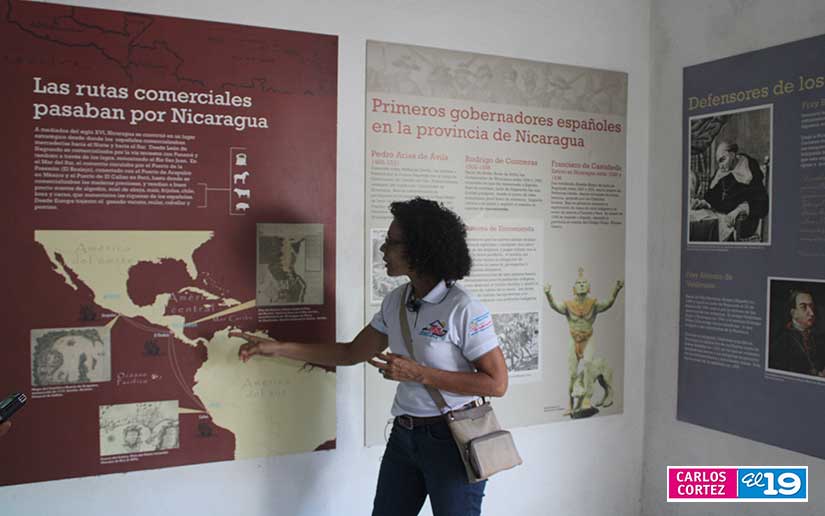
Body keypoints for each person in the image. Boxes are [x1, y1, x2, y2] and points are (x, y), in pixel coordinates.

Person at [231, 197, 507, 516]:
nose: (383, 250)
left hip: (452, 440)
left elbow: (496, 383)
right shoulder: (396, 301)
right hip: (405, 437)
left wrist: (418, 373)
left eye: (391, 242)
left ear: (420, 249)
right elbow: (350, 352)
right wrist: (276, 348)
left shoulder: (463, 308)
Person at [544, 268, 623, 418]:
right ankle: (570, 405)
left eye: (584, 283)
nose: (581, 285)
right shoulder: (568, 305)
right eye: (578, 283)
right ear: (574, 289)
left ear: (589, 288)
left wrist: (616, 290)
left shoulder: (593, 304)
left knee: (587, 364)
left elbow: (609, 303)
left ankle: (587, 399)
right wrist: (548, 294)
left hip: (588, 339)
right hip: (574, 340)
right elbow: (555, 305)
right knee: (572, 374)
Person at [689, 141, 769, 241]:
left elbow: (762, 201)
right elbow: (714, 195)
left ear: (732, 154)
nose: (720, 166)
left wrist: (739, 210)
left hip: (743, 222)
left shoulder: (749, 168)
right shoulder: (724, 171)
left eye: (723, 159)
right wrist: (703, 203)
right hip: (722, 217)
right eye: (718, 161)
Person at [769, 288, 823, 376]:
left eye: (811, 306)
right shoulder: (781, 341)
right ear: (793, 313)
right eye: (803, 307)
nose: (812, 313)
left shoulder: (819, 337)